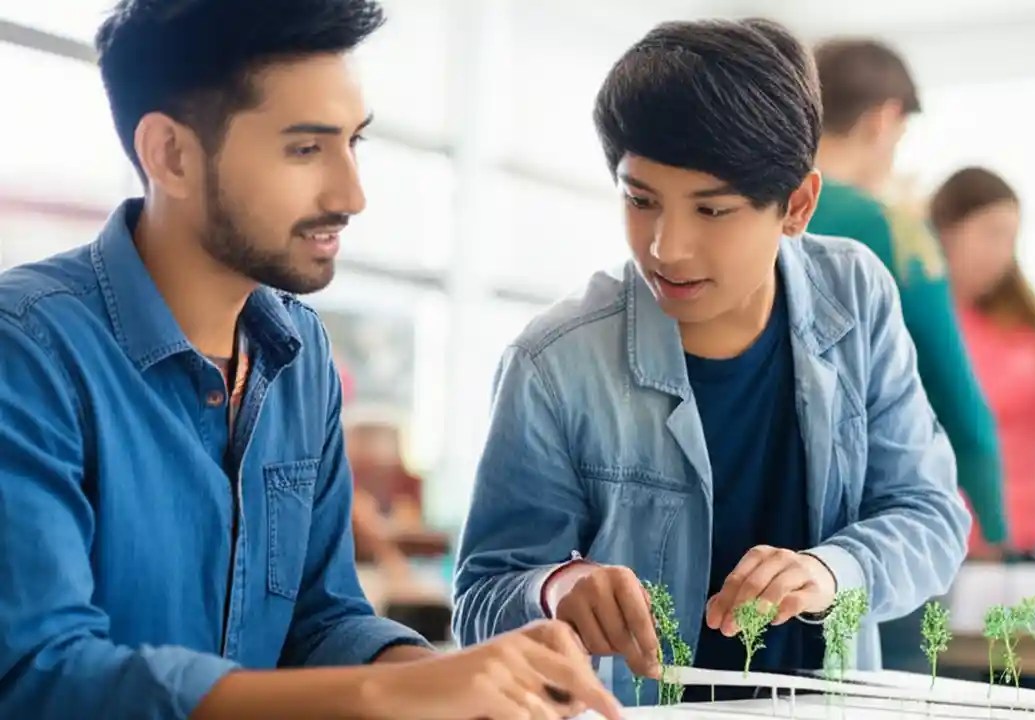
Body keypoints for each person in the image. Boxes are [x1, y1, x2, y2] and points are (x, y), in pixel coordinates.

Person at [0, 2, 620, 720]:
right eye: (305, 149)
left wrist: (468, 681)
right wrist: (391, 692)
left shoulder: (299, 354)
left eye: (353, 142)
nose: (351, 195)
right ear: (171, 155)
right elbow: (41, 675)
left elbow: (320, 622)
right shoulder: (28, 349)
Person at [452, 18, 969, 705]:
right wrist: (557, 589)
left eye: (712, 210)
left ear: (797, 206)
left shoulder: (856, 297)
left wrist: (832, 571)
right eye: (640, 200)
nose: (666, 247)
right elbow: (481, 598)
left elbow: (930, 515)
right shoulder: (554, 361)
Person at [805, 38, 1005, 676]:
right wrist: (994, 525)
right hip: (877, 530)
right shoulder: (895, 228)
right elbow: (954, 392)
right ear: (884, 119)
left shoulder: (746, 209)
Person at [931, 167, 1035, 565]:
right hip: (959, 548)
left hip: (1024, 545)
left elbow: (1027, 446)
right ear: (946, 230)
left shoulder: (1021, 325)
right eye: (991, 234)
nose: (1002, 253)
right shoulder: (925, 327)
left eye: (1010, 239)